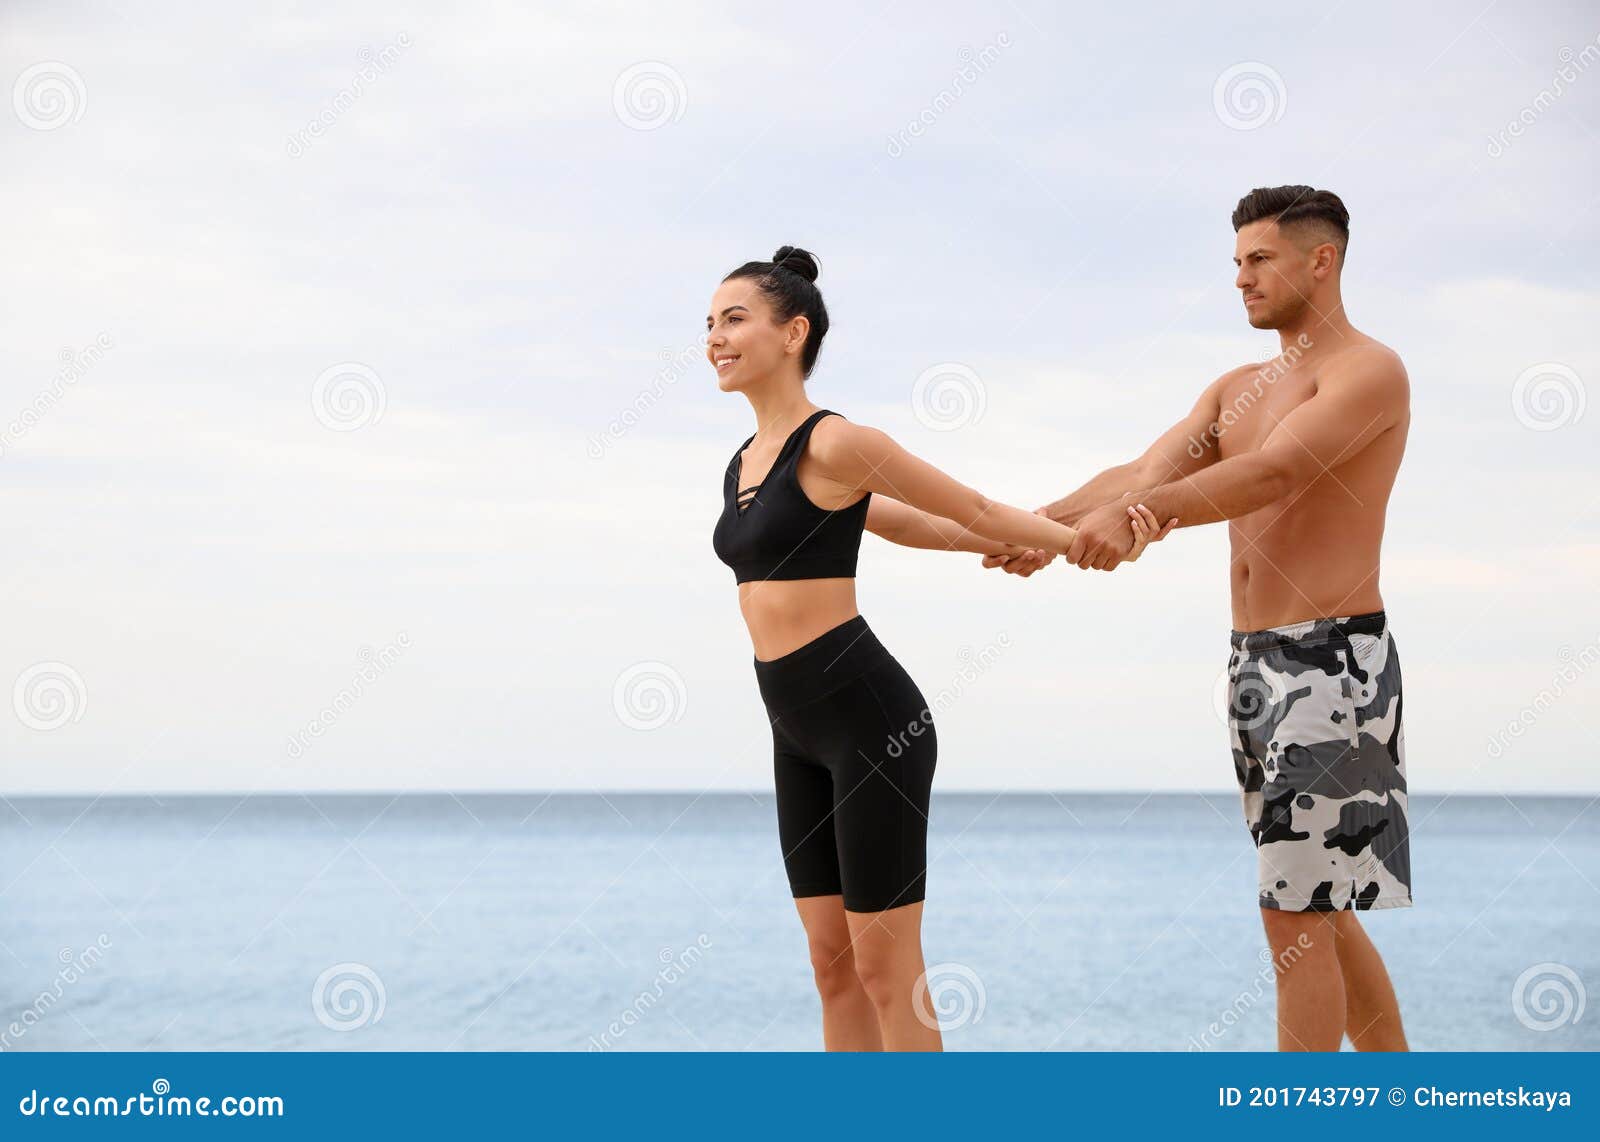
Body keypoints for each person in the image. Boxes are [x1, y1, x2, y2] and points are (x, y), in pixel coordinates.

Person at [710, 244, 1168, 1051]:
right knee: (830, 964)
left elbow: (971, 505)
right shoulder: (742, 464)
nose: (715, 336)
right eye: (709, 323)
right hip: (793, 729)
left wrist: (1061, 541)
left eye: (734, 318)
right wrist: (995, 544)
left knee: (890, 972)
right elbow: (914, 528)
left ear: (794, 333)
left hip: (868, 721)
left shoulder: (838, 444)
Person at [990, 187, 1412, 1052]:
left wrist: (1143, 520)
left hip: (1333, 667)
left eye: (1259, 260)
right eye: (1236, 264)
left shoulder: (1368, 371)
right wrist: (1046, 526)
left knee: (1291, 916)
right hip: (1254, 668)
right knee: (1319, 908)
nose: (1242, 279)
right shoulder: (1236, 387)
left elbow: (1275, 474)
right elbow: (1144, 469)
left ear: (1320, 260)